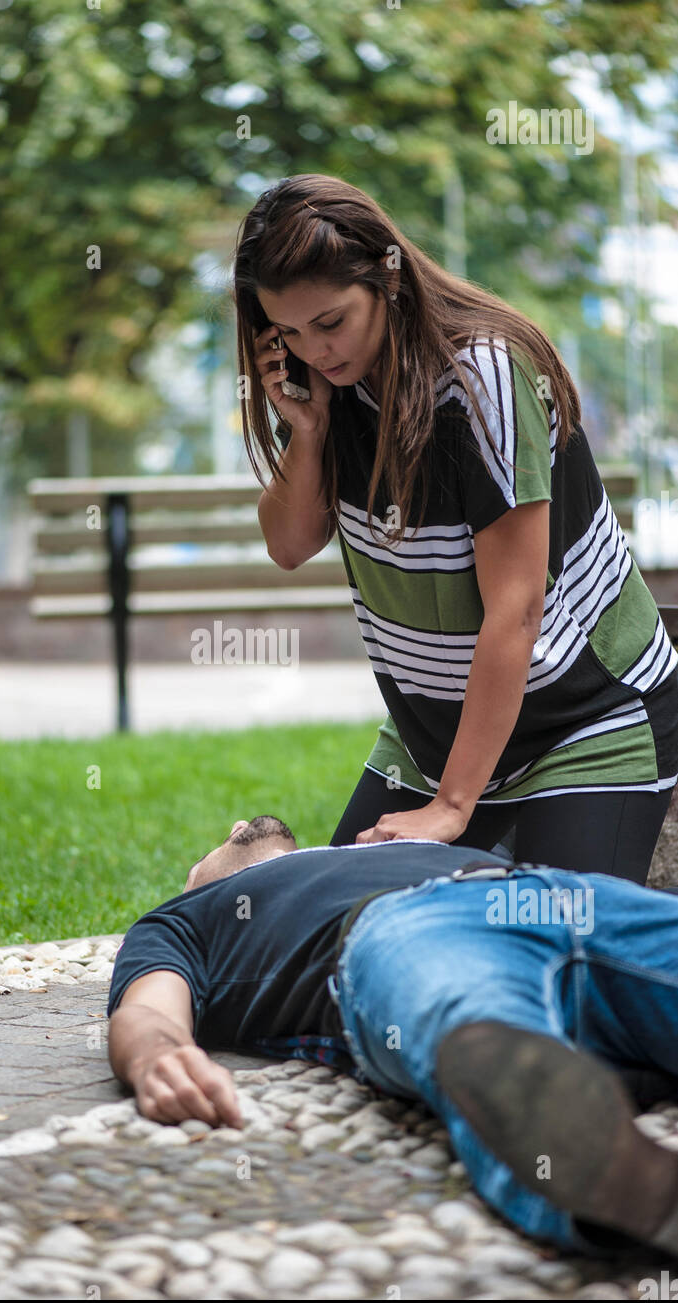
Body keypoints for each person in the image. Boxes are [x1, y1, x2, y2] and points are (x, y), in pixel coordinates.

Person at [231, 174, 678, 884]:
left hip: (584, 725)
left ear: (388, 276)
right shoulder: (335, 387)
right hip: (429, 740)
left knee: (560, 956)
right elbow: (288, 546)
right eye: (286, 332)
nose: (313, 350)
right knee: (333, 944)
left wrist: (451, 806)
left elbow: (516, 608)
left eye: (329, 322)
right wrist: (308, 434)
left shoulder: (485, 375)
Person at [107, 815, 678, 1258]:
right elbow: (146, 1011)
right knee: (476, 1026)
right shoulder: (181, 919)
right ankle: (616, 1174)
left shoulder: (382, 842)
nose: (235, 827)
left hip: (555, 892)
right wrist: (158, 1055)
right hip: (404, 930)